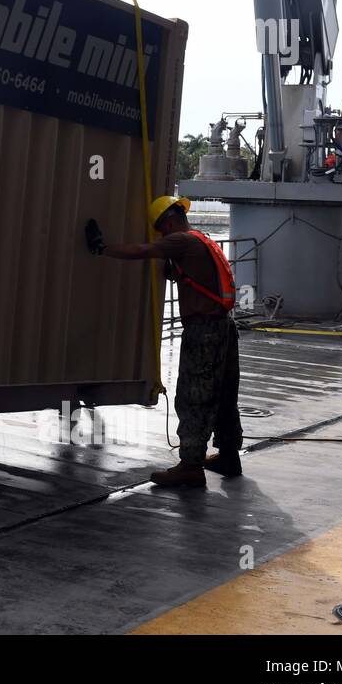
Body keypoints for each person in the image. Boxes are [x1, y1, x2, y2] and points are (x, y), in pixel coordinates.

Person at [84, 196, 241, 488]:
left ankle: (190, 467)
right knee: (224, 393)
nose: (161, 236)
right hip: (225, 327)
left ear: (167, 223)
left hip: (204, 331)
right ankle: (229, 455)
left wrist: (103, 248)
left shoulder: (180, 240)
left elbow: (142, 251)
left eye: (160, 230)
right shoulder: (202, 241)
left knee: (194, 396)